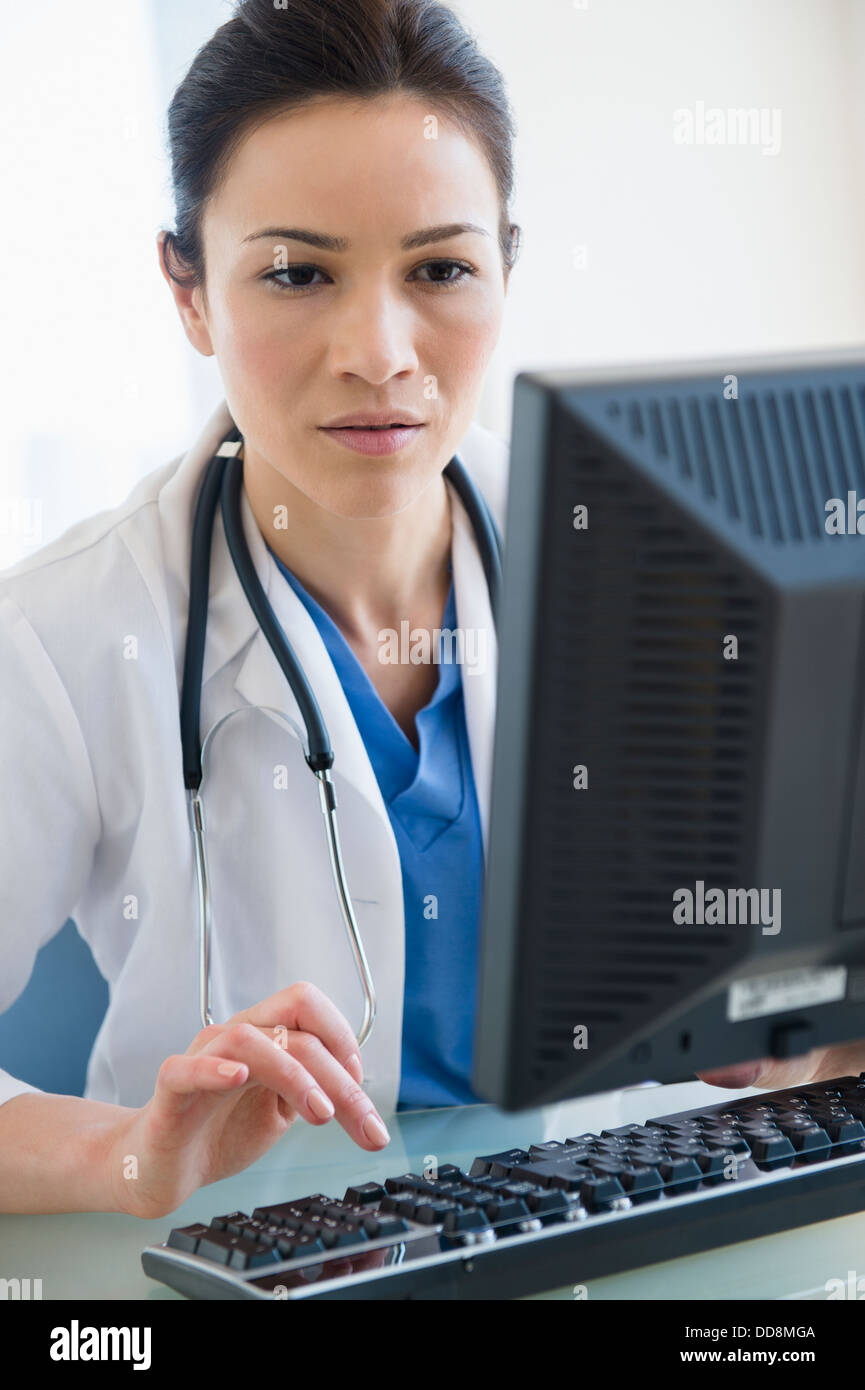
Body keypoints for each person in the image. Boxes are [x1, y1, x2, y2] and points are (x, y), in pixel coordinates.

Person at [1, 0, 860, 1220]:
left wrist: (795, 1038)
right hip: (241, 1257)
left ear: (506, 261)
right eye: (298, 273)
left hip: (610, 1230)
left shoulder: (662, 561)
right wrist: (129, 1153)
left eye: (441, 268)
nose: (381, 350)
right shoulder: (64, 635)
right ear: (187, 289)